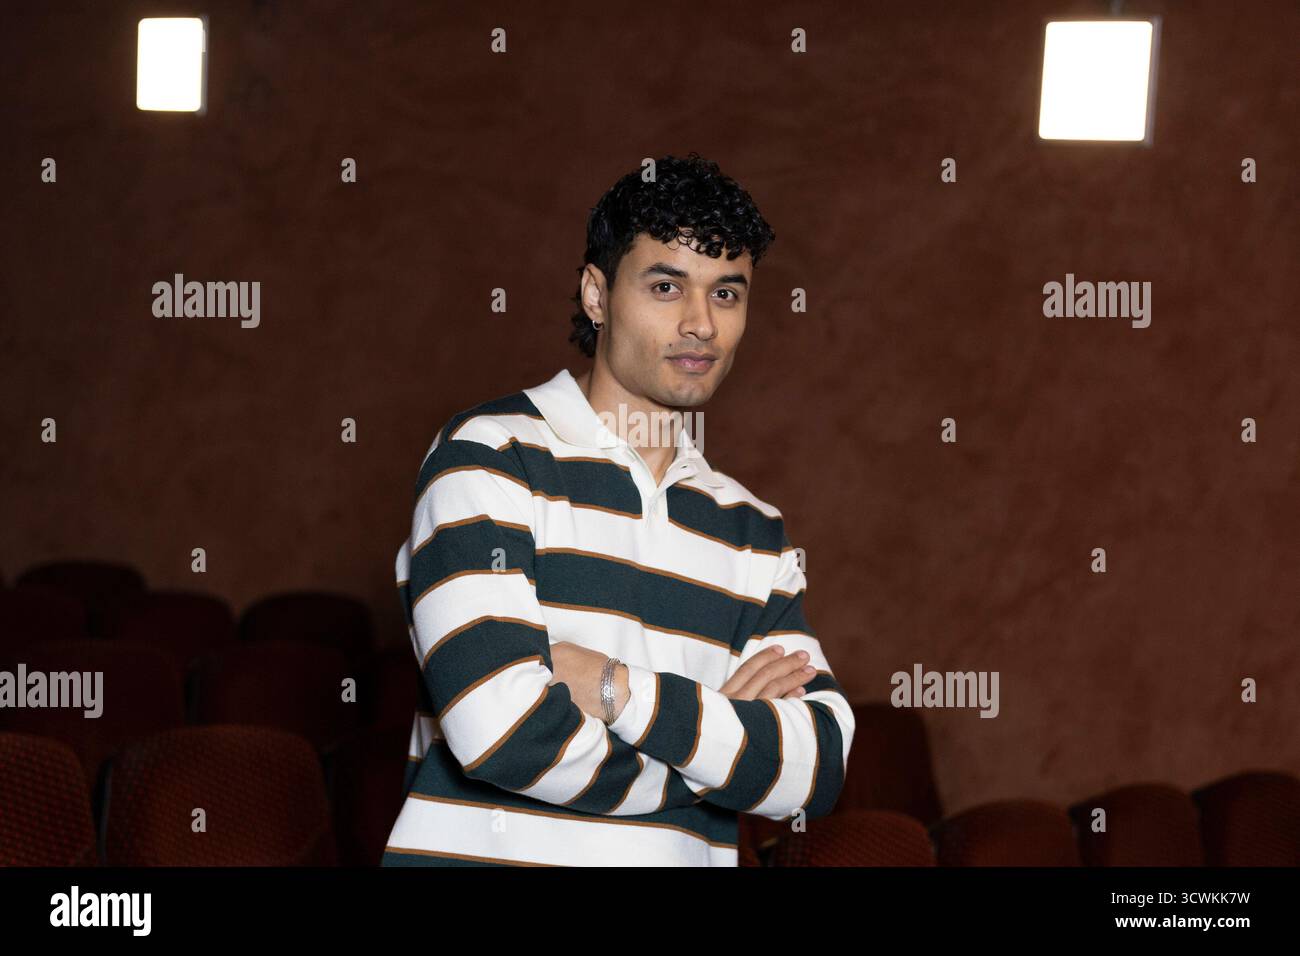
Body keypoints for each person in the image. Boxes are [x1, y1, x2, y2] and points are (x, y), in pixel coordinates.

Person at [382, 152, 854, 866]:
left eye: (727, 294)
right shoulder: (489, 455)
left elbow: (816, 766)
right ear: (597, 296)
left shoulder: (753, 530)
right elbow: (502, 732)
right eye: (666, 286)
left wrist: (616, 690)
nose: (700, 324)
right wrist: (718, 763)